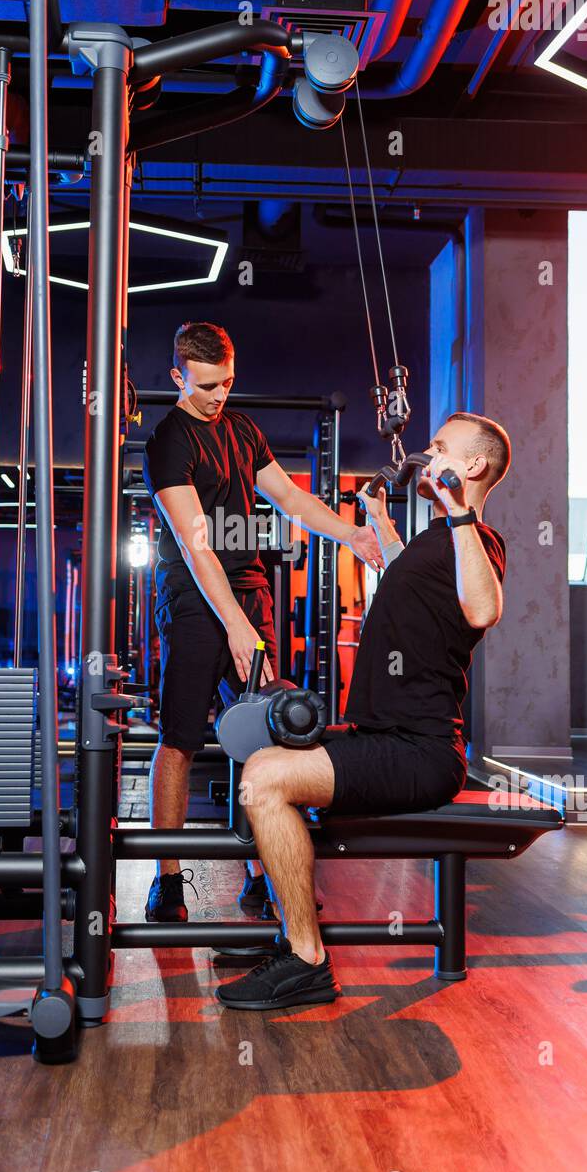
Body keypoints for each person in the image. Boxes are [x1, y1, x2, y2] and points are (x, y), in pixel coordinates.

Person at [215, 411, 511, 1010]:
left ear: (473, 466)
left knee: (265, 781)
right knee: (259, 746)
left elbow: (482, 609)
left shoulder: (476, 540)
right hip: (383, 734)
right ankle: (285, 928)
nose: (426, 457)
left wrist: (459, 511)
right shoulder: (438, 544)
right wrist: (378, 519)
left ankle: (306, 960)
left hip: (420, 751)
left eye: (439, 448)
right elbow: (408, 580)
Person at [142, 321, 383, 923]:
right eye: (204, 386)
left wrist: (351, 534)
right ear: (178, 377)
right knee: (180, 738)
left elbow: (294, 501)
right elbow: (199, 548)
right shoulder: (169, 440)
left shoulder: (243, 431)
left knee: (266, 734)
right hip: (196, 599)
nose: (217, 395)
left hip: (250, 594)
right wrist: (234, 627)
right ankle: (169, 878)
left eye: (225, 382)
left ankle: (262, 871)